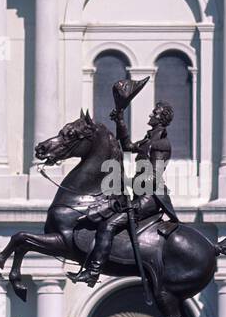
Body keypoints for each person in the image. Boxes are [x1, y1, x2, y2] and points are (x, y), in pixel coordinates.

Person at [70, 82, 179, 287]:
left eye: (154, 113)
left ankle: (93, 273)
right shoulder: (149, 139)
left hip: (150, 196)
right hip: (139, 190)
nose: (150, 116)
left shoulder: (162, 144)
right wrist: (120, 119)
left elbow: (154, 174)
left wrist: (132, 189)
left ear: (161, 118)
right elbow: (127, 146)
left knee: (109, 225)